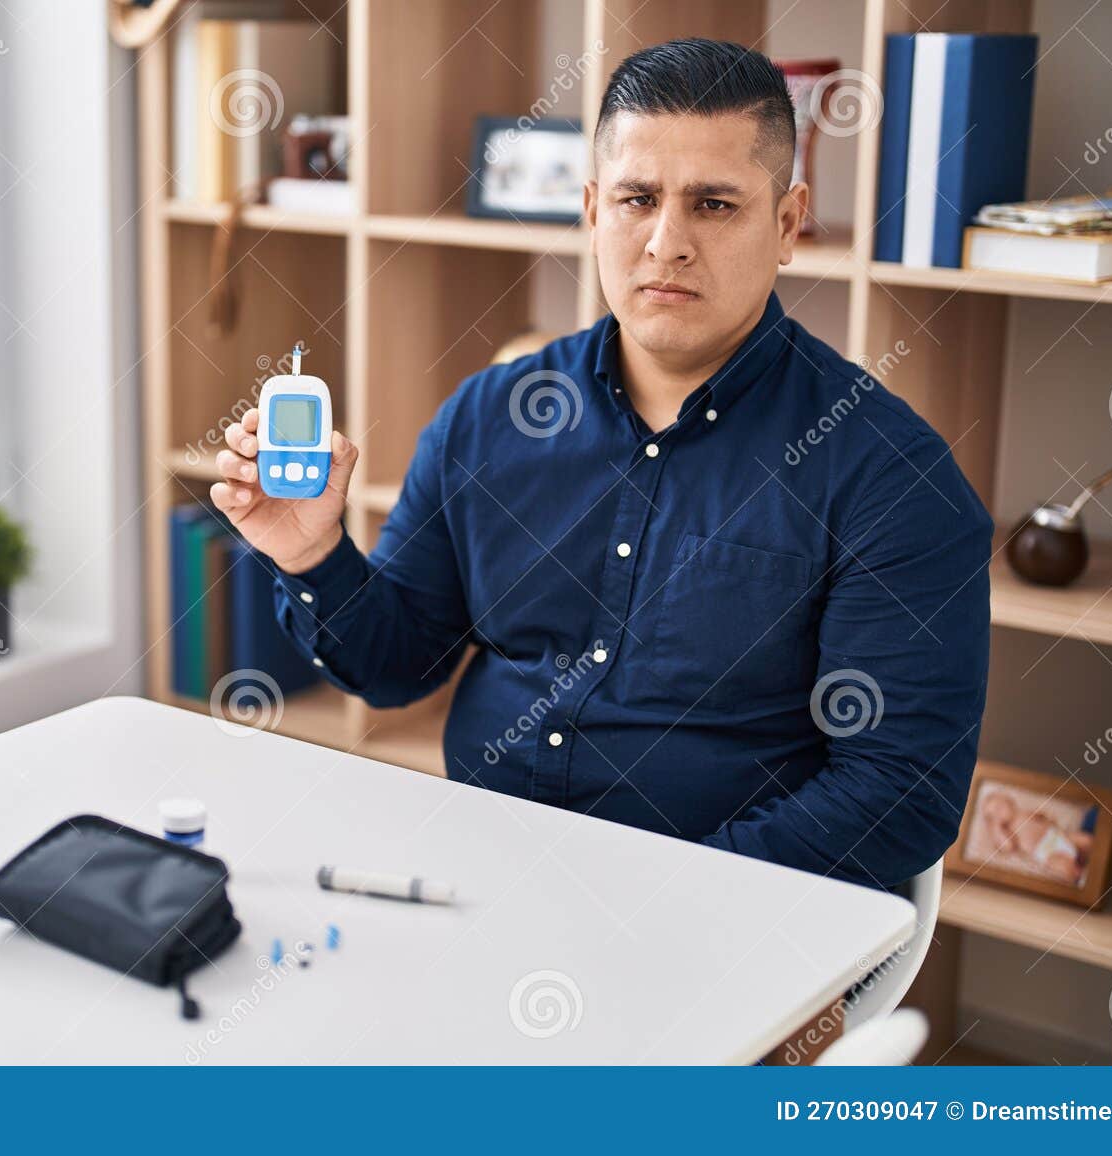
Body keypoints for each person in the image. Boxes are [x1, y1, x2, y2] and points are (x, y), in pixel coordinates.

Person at [210, 39, 992, 890]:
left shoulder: (889, 472)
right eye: (637, 199)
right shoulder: (486, 419)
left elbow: (899, 791)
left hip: (727, 922)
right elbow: (399, 668)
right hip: (478, 883)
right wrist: (309, 555)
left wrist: (658, 898)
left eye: (716, 205)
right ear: (591, 211)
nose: (667, 242)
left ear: (789, 224)